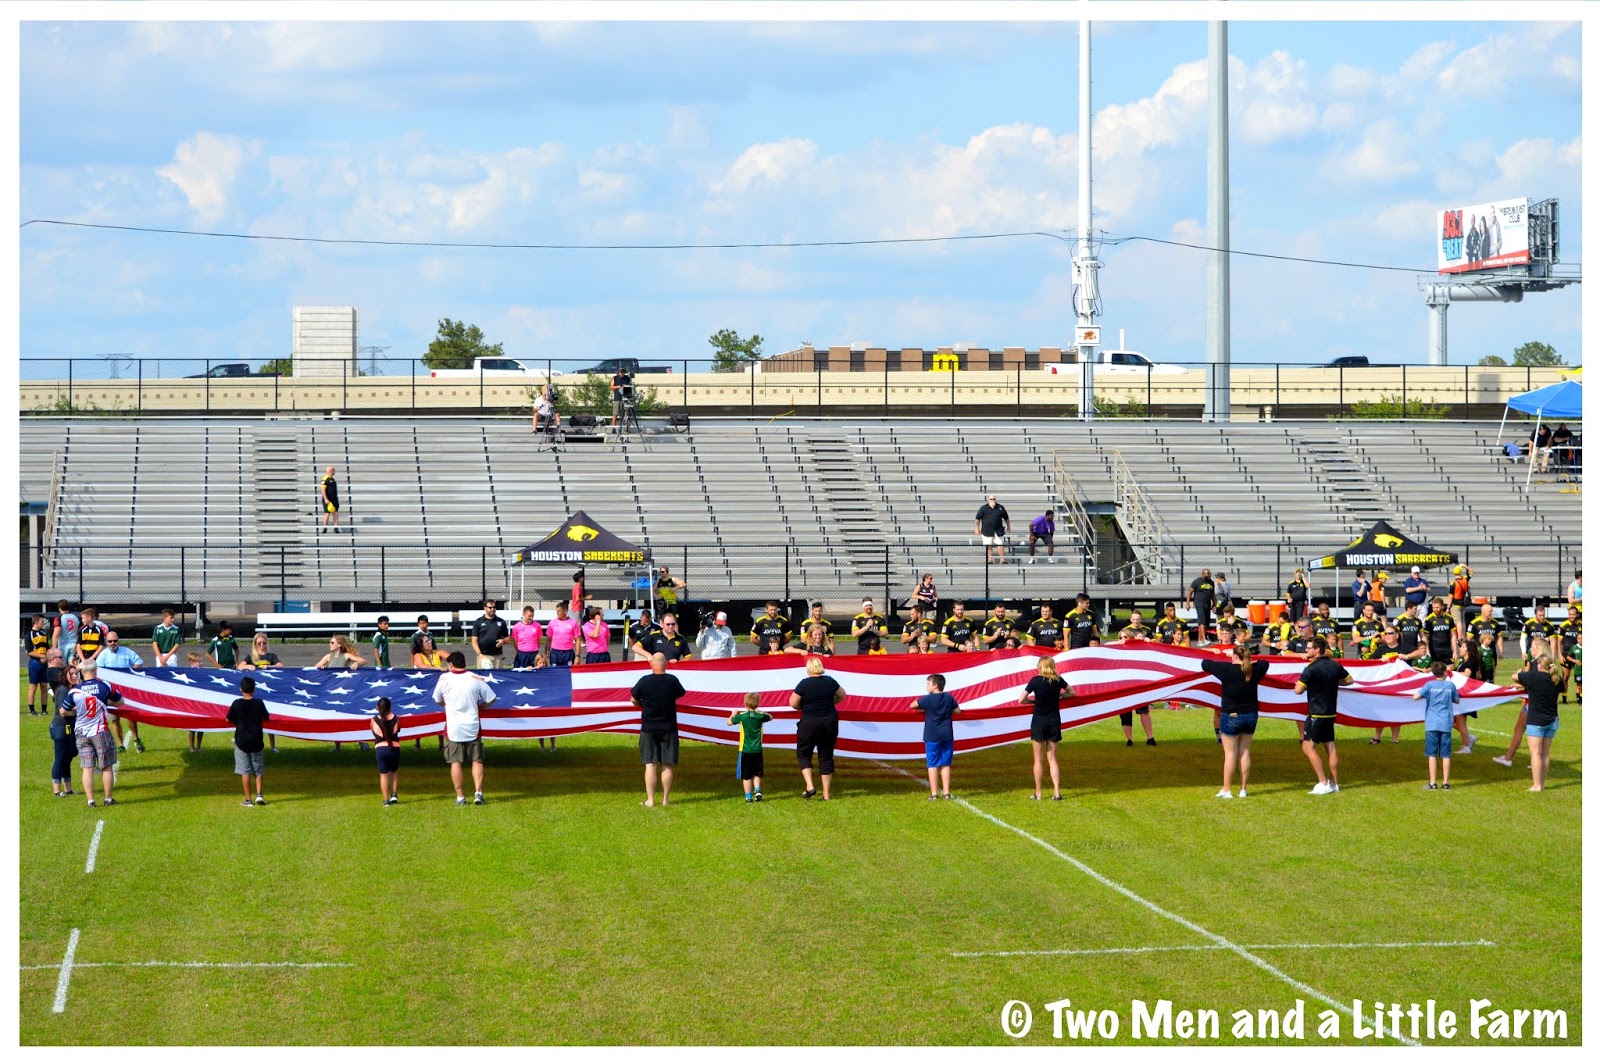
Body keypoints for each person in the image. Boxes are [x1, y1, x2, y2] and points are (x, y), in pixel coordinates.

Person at [433, 651, 495, 805]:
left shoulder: (444, 679)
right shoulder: (475, 679)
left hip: (454, 726)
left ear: (451, 664)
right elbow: (491, 698)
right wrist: (480, 707)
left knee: (455, 761)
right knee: (477, 760)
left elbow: (437, 699)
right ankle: (478, 793)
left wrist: (447, 705)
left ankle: (460, 797)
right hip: (472, 724)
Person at [1203, 644, 1264, 799]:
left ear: (1235, 657)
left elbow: (1204, 663)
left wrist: (1212, 651)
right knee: (1245, 751)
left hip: (1231, 715)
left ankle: (1227, 789)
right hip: (1250, 715)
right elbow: (1265, 663)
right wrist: (1249, 661)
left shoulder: (1226, 669)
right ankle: (1243, 789)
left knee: (1230, 754)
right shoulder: (1255, 670)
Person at [1294, 638, 1352, 795]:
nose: (1306, 650)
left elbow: (1298, 690)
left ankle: (1323, 782)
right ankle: (1334, 784)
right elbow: (1349, 680)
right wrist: (1332, 683)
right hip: (1331, 712)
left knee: (1308, 747)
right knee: (1330, 748)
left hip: (1317, 713)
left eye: (1309, 648)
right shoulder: (1335, 665)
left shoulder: (1311, 668)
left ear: (1317, 650)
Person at [632, 652, 685, 807]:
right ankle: (665, 800)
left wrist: (642, 704)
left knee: (650, 764)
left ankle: (650, 800)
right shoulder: (672, 681)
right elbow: (680, 694)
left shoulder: (644, 681)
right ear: (666, 664)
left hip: (649, 728)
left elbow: (633, 699)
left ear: (651, 664)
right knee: (667, 765)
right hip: (669, 727)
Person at [790, 656, 844, 800]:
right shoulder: (830, 681)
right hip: (829, 721)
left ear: (808, 669)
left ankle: (810, 786)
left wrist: (804, 706)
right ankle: (826, 793)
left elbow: (793, 703)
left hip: (809, 722)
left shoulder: (804, 684)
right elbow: (842, 695)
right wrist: (831, 702)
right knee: (826, 755)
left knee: (804, 753)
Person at [1019, 657, 1072, 801]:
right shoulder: (1057, 680)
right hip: (1054, 721)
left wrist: (1033, 701)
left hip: (1039, 722)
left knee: (1038, 759)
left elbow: (1021, 699)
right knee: (1052, 759)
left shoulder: (1035, 680)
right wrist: (1059, 696)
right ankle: (1056, 792)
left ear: (1040, 666)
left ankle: (1038, 793)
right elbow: (1071, 692)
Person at [71, 662, 123, 807]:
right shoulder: (105, 685)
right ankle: (108, 799)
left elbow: (64, 710)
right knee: (106, 766)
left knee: (87, 768)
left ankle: (90, 800)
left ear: (82, 672)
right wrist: (105, 701)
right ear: (96, 670)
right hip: (100, 730)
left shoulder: (75, 690)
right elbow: (120, 702)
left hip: (81, 732)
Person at [1514, 654, 1562, 792]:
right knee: (1545, 753)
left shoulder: (1534, 677)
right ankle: (1542, 783)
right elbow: (1563, 688)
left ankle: (1537, 785)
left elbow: (1515, 676)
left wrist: (1520, 672)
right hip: (1552, 719)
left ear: (1540, 664)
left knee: (1535, 753)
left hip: (1536, 720)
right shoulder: (1556, 679)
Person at [95, 631, 147, 753]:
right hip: (111, 692)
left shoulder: (127, 652)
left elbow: (139, 663)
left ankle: (136, 739)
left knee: (131, 717)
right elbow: (99, 672)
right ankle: (120, 745)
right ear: (106, 642)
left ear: (118, 640)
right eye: (110, 641)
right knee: (114, 719)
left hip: (127, 692)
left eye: (115, 641)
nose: (113, 643)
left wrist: (129, 673)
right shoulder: (103, 655)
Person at [1412, 661, 1461, 790]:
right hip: (1446, 723)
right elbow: (1457, 700)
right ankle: (1446, 783)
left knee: (1432, 754)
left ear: (1433, 673)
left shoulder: (1429, 685)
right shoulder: (1450, 686)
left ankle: (1432, 783)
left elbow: (1415, 697)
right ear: (1445, 672)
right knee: (1446, 754)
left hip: (1432, 724)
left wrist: (1425, 696)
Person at [913, 673, 960, 799]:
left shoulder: (927, 699)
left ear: (935, 685)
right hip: (947, 734)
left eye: (928, 684)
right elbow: (957, 711)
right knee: (945, 763)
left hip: (932, 734)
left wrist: (924, 710)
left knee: (932, 764)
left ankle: (934, 794)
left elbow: (913, 705)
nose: (926, 686)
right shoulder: (948, 697)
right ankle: (946, 793)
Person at [227, 676, 271, 806]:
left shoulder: (237, 703)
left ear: (241, 689)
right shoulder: (259, 703)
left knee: (244, 771)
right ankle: (259, 795)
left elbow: (228, 718)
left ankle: (248, 800)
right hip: (257, 740)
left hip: (241, 742)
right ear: (254, 690)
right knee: (258, 769)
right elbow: (266, 717)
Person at [728, 692, 772, 802]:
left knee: (746, 776)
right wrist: (761, 712)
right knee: (757, 772)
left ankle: (748, 798)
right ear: (758, 704)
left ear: (745, 704)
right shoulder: (761, 716)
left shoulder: (742, 717)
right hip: (757, 750)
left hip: (745, 750)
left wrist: (733, 714)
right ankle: (757, 790)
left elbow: (728, 722)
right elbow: (771, 717)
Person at [50, 664, 81, 796]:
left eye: (76, 674)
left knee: (68, 757)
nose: (74, 676)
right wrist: (78, 711)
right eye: (71, 674)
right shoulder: (63, 690)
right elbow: (63, 712)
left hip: (68, 728)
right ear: (65, 675)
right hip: (60, 728)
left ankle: (68, 789)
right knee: (60, 758)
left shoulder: (72, 689)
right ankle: (57, 790)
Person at [370, 696, 403, 805]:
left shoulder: (374, 720)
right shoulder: (396, 718)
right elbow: (398, 729)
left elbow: (373, 732)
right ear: (390, 708)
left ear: (378, 708)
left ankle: (386, 800)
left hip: (380, 749)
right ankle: (394, 794)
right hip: (394, 748)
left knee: (383, 774)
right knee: (394, 772)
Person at [470, 600, 509, 671]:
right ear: (485, 608)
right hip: (484, 656)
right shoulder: (478, 622)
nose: (492, 609)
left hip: (497, 656)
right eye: (490, 607)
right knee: (483, 679)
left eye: (494, 607)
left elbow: (507, 638)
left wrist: (503, 641)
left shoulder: (501, 622)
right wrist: (479, 654)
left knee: (499, 678)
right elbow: (474, 640)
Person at [973, 492, 1010, 564]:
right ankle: (990, 559)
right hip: (987, 531)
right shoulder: (983, 508)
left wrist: (1008, 526)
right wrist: (977, 528)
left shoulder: (1000, 507)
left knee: (1000, 544)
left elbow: (1006, 518)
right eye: (991, 499)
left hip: (998, 530)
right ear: (988, 500)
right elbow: (977, 519)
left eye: (994, 499)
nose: (992, 500)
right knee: (988, 545)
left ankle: (1002, 559)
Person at [26, 613, 51, 715]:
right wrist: (41, 656)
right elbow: (29, 651)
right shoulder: (29, 635)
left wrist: (47, 657)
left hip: (44, 663)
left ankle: (44, 710)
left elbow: (47, 649)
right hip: (35, 663)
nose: (43, 623)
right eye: (42, 621)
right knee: (33, 686)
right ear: (36, 622)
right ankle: (31, 709)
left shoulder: (44, 634)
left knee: (44, 686)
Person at [1186, 567, 1217, 644]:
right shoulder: (1197, 581)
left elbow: (1212, 594)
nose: (1209, 575)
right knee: (1201, 621)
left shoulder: (1211, 583)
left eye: (1209, 573)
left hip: (1207, 603)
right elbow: (1190, 591)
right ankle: (1204, 639)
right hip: (1199, 603)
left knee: (1205, 622)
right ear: (1203, 574)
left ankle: (1199, 640)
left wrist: (1214, 604)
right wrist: (1187, 603)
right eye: (1207, 574)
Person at [546, 602, 581, 667]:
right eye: (556, 611)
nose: (557, 613)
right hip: (555, 653)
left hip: (568, 653)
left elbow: (578, 640)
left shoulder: (573, 623)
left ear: (565, 611)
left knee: (567, 673)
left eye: (559, 611)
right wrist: (547, 655)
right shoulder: (552, 623)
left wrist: (577, 656)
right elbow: (548, 640)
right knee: (555, 673)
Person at [53, 599, 81, 668]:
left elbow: (56, 634)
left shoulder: (59, 618)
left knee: (62, 667)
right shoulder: (76, 617)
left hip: (63, 645)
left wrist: (54, 648)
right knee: (73, 666)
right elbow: (79, 631)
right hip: (74, 644)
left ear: (59, 608)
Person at [1448, 565, 1474, 639]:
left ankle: (1459, 637)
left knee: (1458, 621)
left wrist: (1448, 607)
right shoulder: (1465, 579)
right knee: (1462, 621)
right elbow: (1471, 572)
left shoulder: (1453, 583)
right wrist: (1465, 566)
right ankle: (1463, 636)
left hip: (1455, 604)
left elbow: (1450, 596)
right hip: (1463, 603)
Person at [610, 363, 635, 428]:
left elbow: (630, 386)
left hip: (626, 398)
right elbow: (611, 387)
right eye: (621, 372)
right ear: (618, 372)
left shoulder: (627, 378)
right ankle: (613, 428)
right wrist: (618, 386)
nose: (622, 373)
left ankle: (627, 427)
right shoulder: (614, 378)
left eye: (623, 372)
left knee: (626, 414)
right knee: (615, 413)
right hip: (617, 398)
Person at [320, 465, 341, 531]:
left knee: (335, 513)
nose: (335, 471)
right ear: (331, 471)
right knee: (327, 513)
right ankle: (325, 528)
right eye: (334, 470)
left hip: (334, 499)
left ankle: (336, 528)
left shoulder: (332, 479)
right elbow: (323, 490)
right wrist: (326, 499)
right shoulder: (325, 479)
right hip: (328, 499)